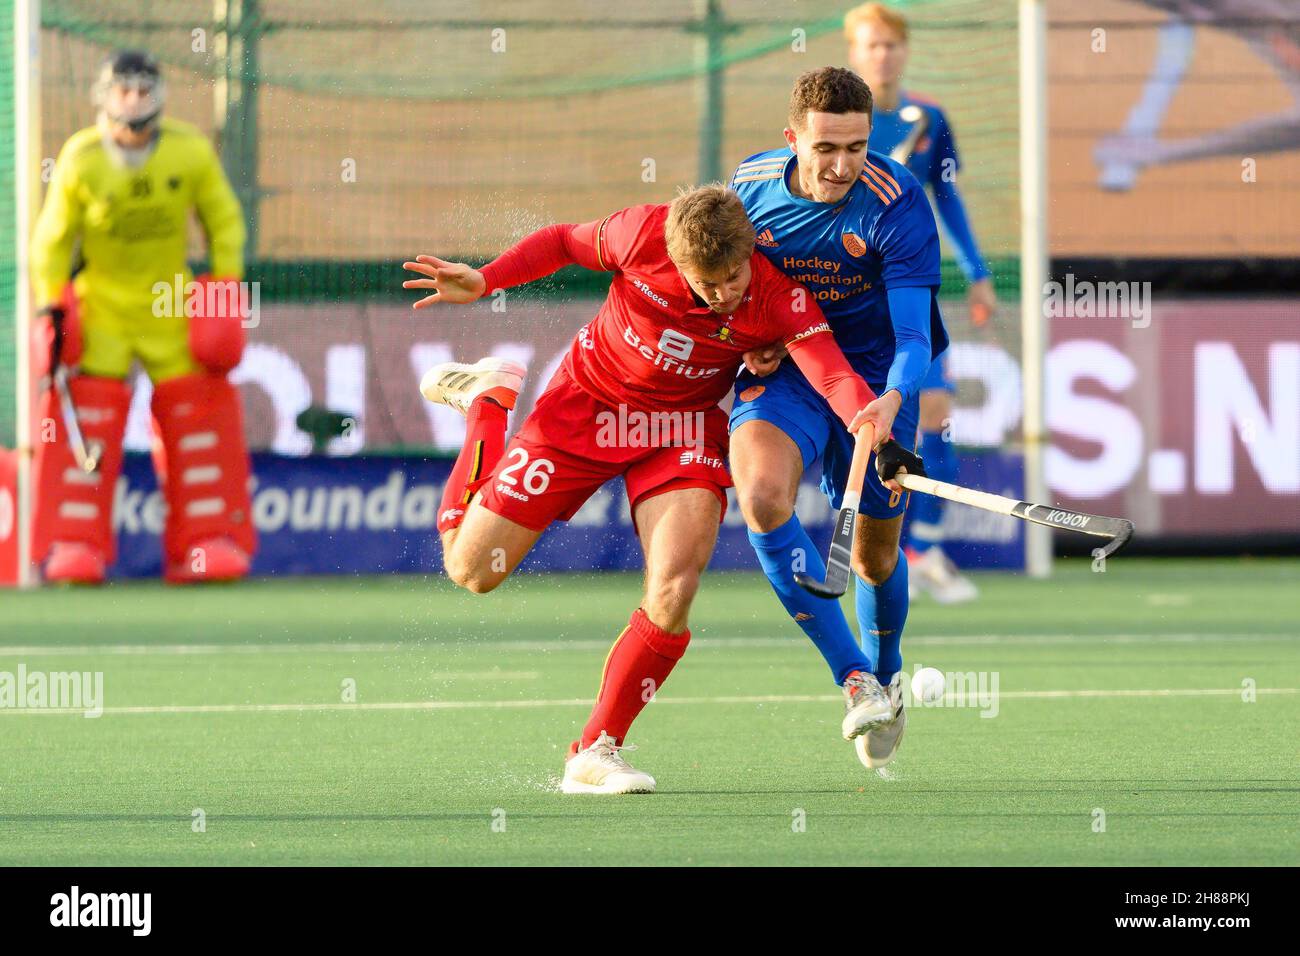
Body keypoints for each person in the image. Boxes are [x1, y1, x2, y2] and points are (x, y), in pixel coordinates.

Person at [401, 185, 900, 794]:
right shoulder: (640, 234)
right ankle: (487, 405)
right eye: (706, 284)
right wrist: (488, 279)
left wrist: (868, 420)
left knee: (675, 586)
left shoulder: (779, 297)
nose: (723, 295)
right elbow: (562, 242)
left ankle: (596, 748)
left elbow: (833, 373)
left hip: (681, 430)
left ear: (750, 253)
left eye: (733, 278)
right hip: (585, 409)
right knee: (471, 570)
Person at [729, 66, 944, 769]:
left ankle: (886, 675)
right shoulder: (750, 189)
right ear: (793, 137)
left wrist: (893, 398)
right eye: (826, 149)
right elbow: (719, 285)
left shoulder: (897, 202)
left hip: (877, 380)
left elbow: (913, 339)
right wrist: (744, 334)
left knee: (872, 556)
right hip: (790, 369)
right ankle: (854, 679)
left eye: (856, 147)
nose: (843, 165)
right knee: (762, 497)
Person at [29, 49, 255, 584]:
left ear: (159, 95)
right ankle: (73, 544)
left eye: (143, 89)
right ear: (105, 96)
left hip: (168, 305)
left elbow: (224, 220)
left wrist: (224, 290)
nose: (133, 100)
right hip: (103, 306)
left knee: (196, 414)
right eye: (122, 89)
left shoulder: (189, 151)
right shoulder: (80, 158)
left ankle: (205, 541)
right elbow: (52, 240)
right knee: (88, 419)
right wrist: (52, 303)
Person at [847, 2, 993, 603]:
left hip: (912, 288)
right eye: (872, 44)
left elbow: (947, 197)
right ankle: (878, 551)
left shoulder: (928, 117)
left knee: (938, 413)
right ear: (855, 52)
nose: (883, 54)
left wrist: (977, 272)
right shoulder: (837, 121)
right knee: (861, 426)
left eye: (892, 45)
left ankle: (923, 548)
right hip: (852, 296)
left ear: (904, 52)